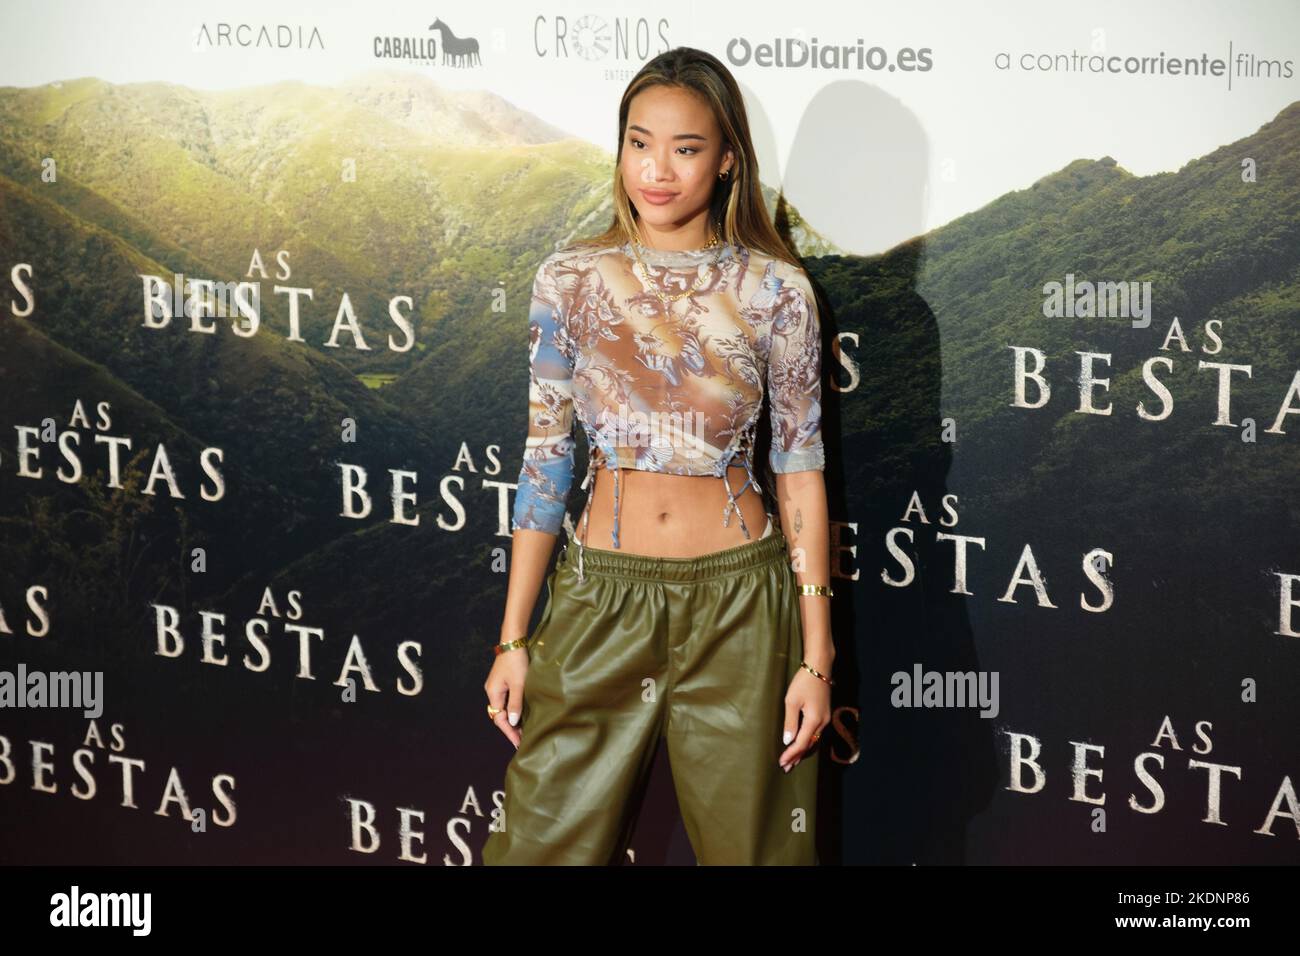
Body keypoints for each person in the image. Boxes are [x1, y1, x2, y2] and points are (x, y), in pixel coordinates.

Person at [482, 46, 834, 866]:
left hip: (745, 605)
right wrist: (513, 638)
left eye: (686, 148)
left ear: (726, 161)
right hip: (600, 597)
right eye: (640, 143)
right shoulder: (568, 279)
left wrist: (816, 658)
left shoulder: (778, 291)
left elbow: (801, 469)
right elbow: (545, 460)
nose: (658, 170)